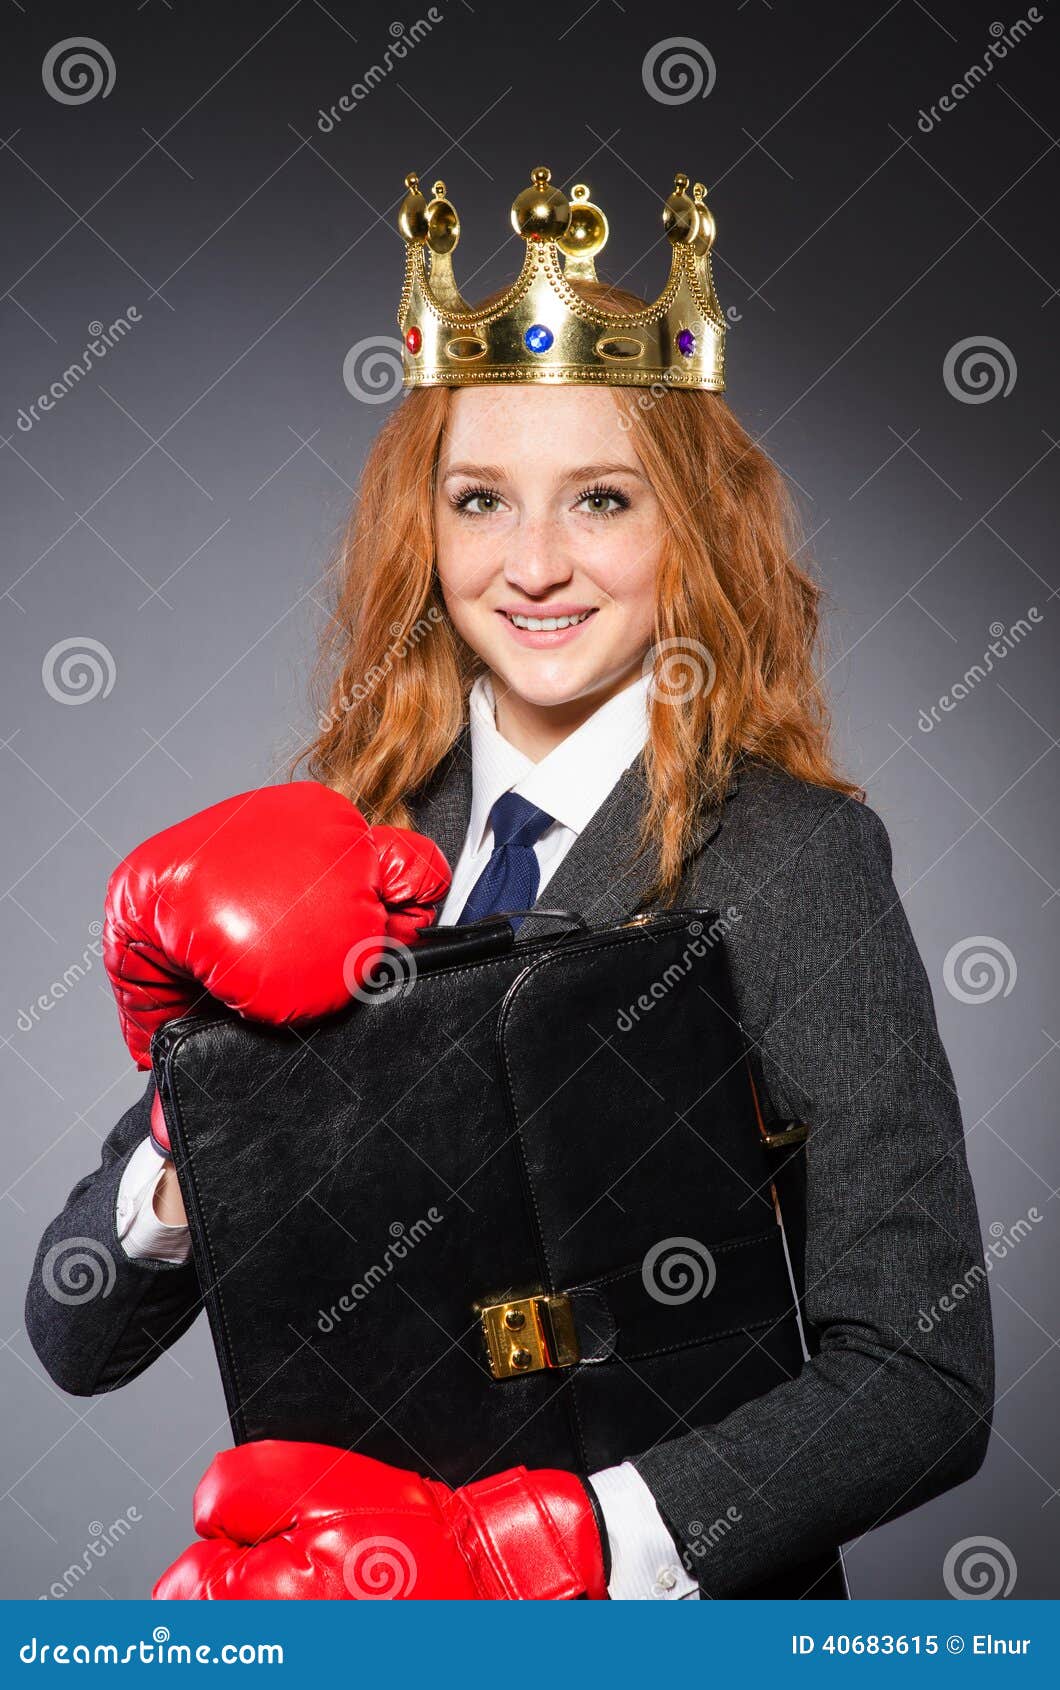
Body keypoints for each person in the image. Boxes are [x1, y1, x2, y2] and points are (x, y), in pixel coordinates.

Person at [25, 166, 993, 1601]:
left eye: (602, 499)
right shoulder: (345, 841)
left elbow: (923, 1373)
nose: (535, 563)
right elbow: (76, 1331)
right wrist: (190, 1114)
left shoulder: (791, 850)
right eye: (483, 500)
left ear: (694, 532)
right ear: (430, 529)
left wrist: (551, 1549)